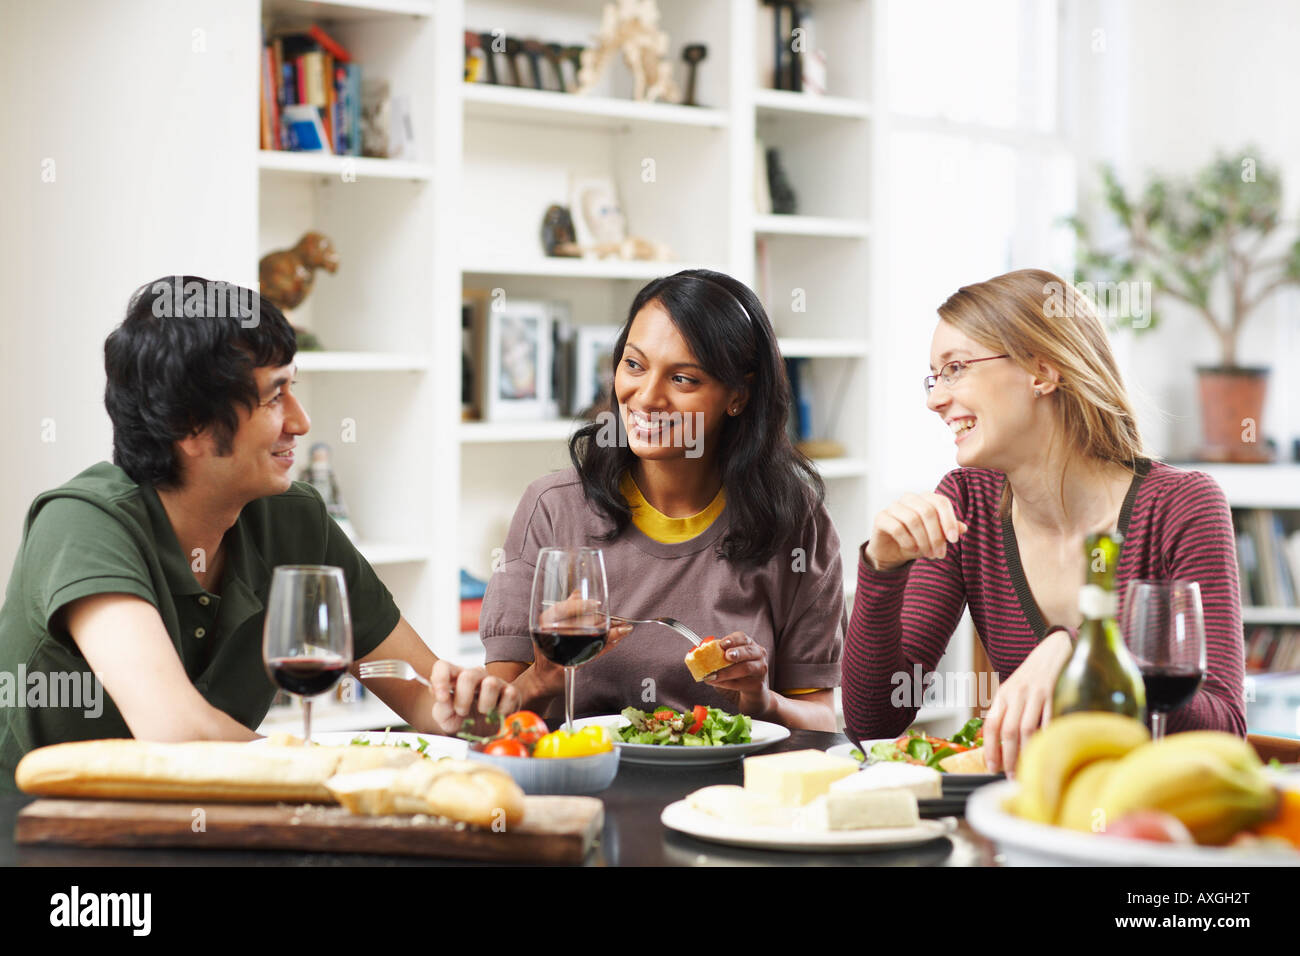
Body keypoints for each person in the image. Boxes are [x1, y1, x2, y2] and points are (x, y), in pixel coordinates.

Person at [0, 277, 514, 791]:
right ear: (191, 425)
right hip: (43, 841)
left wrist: (458, 708)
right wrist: (345, 774)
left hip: (219, 831)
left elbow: (421, 693)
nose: (302, 421)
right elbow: (177, 732)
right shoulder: (83, 525)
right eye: (274, 397)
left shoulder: (293, 518)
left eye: (295, 387)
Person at [841, 269, 1246, 775]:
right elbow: (873, 723)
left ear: (1042, 372)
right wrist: (882, 570)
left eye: (956, 369)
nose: (934, 399)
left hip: (1147, 823)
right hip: (1026, 817)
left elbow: (1224, 725)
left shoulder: (1181, 507)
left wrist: (1080, 653)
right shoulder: (967, 505)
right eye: (934, 376)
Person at [480, 269, 844, 730]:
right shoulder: (553, 509)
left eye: (684, 379)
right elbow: (494, 723)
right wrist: (544, 678)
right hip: (586, 783)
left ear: (738, 396)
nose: (646, 397)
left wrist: (762, 702)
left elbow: (820, 722)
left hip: (731, 794)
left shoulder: (795, 521)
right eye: (634, 365)